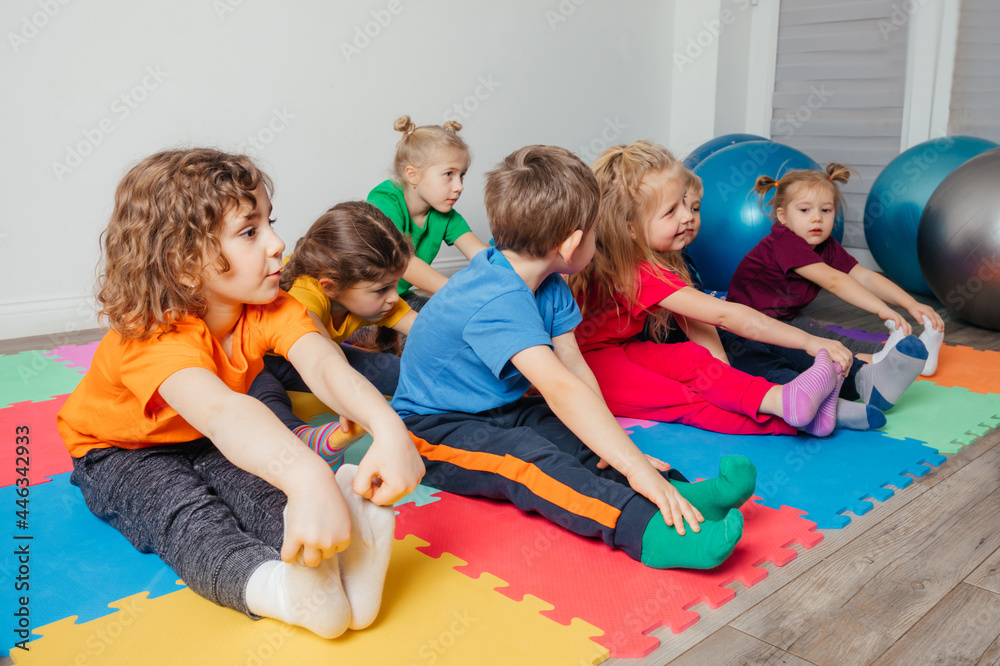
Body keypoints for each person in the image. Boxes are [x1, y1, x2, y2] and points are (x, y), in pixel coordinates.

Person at [56, 149, 424, 638]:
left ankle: (339, 565)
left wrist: (388, 430)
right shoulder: (152, 334)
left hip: (204, 436)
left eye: (269, 222)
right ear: (184, 265)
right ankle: (280, 591)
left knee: (268, 496)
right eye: (250, 232)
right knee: (187, 517)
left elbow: (325, 366)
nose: (277, 244)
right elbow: (222, 411)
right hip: (122, 451)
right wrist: (310, 475)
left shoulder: (270, 306)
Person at [392, 144, 755, 571]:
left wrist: (623, 455)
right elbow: (560, 388)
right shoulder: (495, 299)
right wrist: (632, 465)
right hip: (434, 430)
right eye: (598, 233)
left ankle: (680, 496)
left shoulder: (549, 282)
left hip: (503, 406)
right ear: (572, 244)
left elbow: (575, 367)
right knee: (531, 463)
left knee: (580, 440)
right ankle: (646, 531)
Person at [569, 140, 851, 438]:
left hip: (620, 348)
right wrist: (808, 341)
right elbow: (726, 316)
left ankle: (788, 402)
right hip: (583, 365)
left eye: (686, 203)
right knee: (685, 401)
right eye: (671, 211)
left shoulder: (646, 259)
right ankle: (793, 420)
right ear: (630, 227)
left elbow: (698, 323)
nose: (687, 216)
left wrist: (729, 383)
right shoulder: (635, 272)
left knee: (691, 359)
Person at [727, 164, 944, 402]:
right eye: (805, 210)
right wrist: (882, 310)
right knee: (812, 354)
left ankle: (909, 355)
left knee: (837, 342)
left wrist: (909, 303)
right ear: (783, 216)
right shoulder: (785, 242)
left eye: (826, 210)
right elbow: (834, 281)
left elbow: (865, 276)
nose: (817, 217)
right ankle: (878, 366)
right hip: (748, 327)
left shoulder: (826, 245)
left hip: (785, 317)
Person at [248, 201, 416, 467]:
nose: (394, 297)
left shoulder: (369, 294)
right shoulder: (305, 294)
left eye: (395, 285)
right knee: (263, 396)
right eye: (382, 289)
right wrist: (349, 403)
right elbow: (322, 354)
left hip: (312, 358)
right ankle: (301, 439)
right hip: (262, 359)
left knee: (390, 370)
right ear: (330, 287)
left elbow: (425, 330)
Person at [366, 115, 490, 310]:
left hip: (398, 300)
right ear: (412, 175)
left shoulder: (446, 216)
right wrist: (456, 291)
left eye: (462, 175)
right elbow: (402, 261)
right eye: (449, 174)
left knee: (451, 318)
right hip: (357, 305)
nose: (459, 187)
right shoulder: (384, 200)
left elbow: (483, 256)